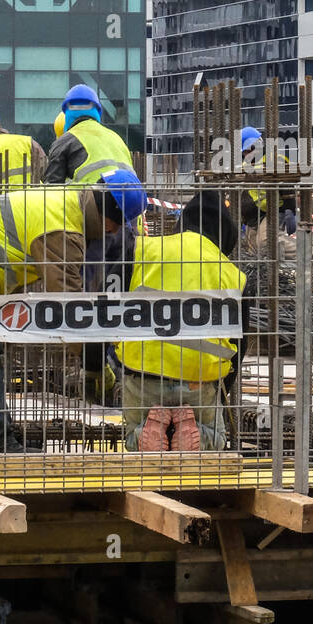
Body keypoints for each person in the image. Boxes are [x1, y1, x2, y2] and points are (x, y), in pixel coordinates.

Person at [0, 171, 148, 453]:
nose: (114, 232)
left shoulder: (69, 205)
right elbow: (69, 310)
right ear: (107, 212)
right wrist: (96, 366)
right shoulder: (64, 231)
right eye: (116, 223)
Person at [116, 190, 245, 452]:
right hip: (199, 379)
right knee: (217, 440)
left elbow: (110, 310)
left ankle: (142, 433)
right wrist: (220, 389)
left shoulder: (141, 249)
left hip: (143, 374)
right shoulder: (233, 274)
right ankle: (199, 432)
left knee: (130, 438)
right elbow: (240, 343)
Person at [45, 84, 135, 186]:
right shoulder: (117, 138)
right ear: (98, 113)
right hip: (130, 198)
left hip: (93, 200)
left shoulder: (65, 141)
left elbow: (51, 189)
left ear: (67, 115)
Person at [238, 126, 299, 251]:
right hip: (255, 216)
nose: (245, 154)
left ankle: (305, 253)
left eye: (248, 150)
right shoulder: (247, 165)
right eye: (244, 151)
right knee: (254, 250)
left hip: (274, 211)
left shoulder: (275, 160)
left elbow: (287, 185)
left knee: (265, 242)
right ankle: (270, 271)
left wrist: (289, 210)